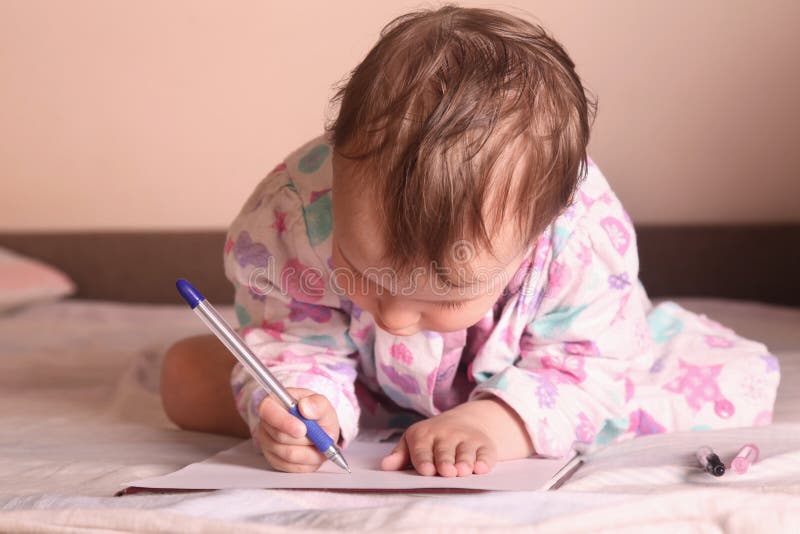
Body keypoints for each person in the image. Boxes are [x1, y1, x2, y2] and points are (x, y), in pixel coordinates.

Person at [161, 5, 780, 477]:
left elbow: (591, 360)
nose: (398, 320)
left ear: (540, 231)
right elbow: (296, 335)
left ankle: (491, 417)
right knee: (185, 379)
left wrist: (497, 422)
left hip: (535, 370)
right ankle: (373, 421)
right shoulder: (294, 213)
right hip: (368, 379)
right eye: (364, 272)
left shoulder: (578, 233)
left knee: (738, 383)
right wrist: (307, 406)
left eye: (446, 292)